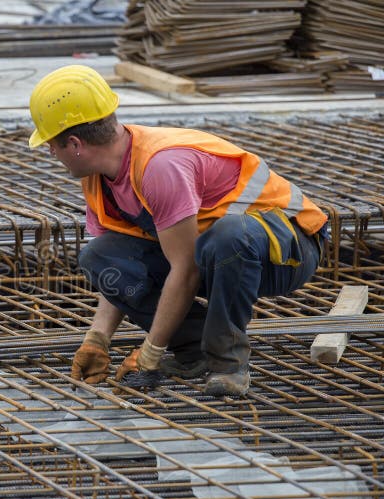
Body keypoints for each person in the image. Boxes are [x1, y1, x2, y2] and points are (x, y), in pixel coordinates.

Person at [28, 65, 328, 396]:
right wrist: (97, 339)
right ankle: (196, 349)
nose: (50, 152)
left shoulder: (160, 167)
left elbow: (184, 269)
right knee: (100, 257)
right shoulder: (98, 177)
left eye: (52, 144)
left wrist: (149, 355)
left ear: (75, 143)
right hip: (213, 254)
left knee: (228, 236)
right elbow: (122, 272)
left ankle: (228, 364)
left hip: (287, 247)